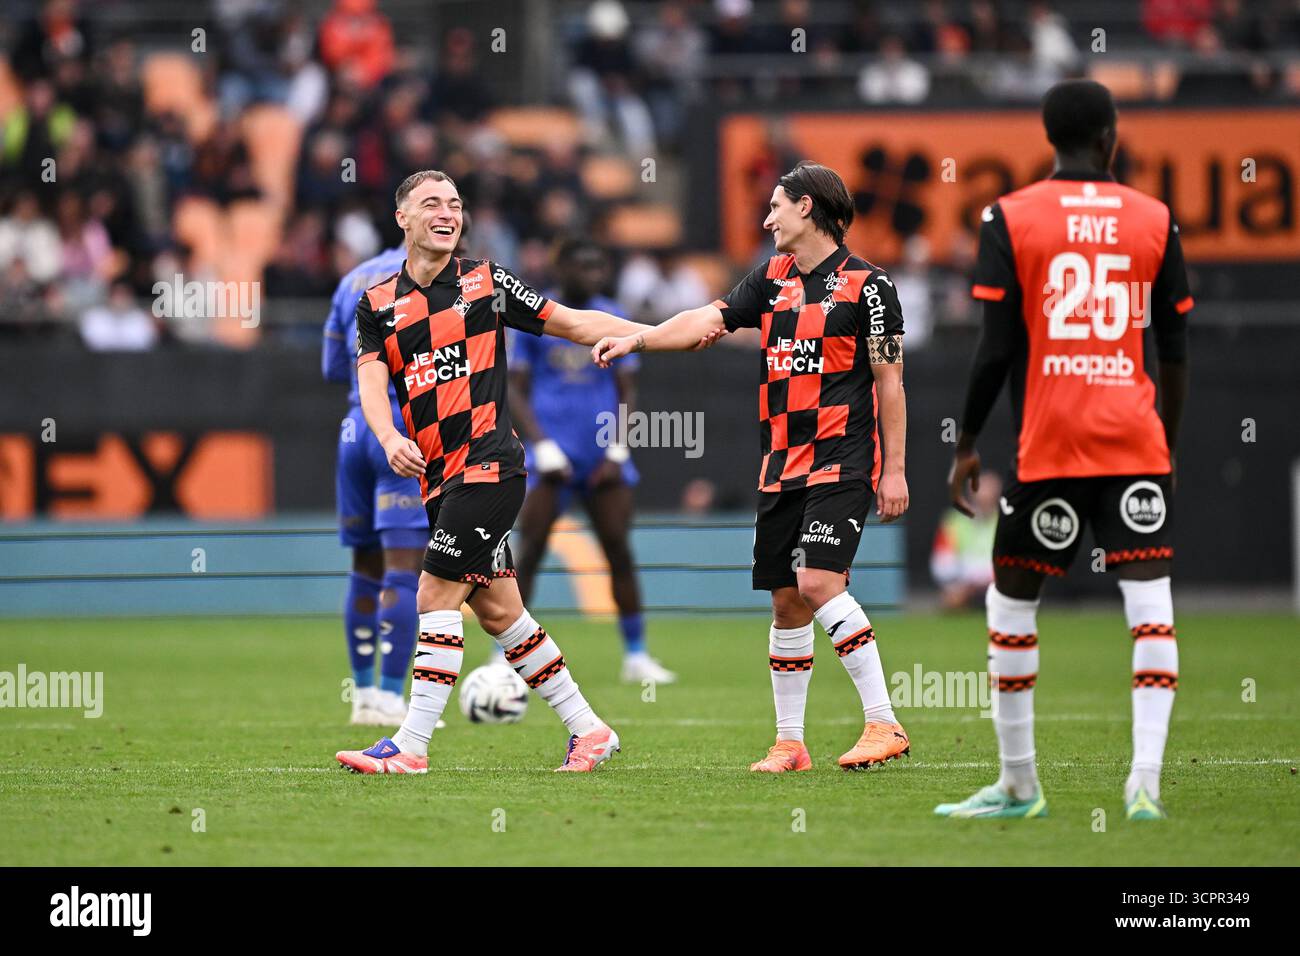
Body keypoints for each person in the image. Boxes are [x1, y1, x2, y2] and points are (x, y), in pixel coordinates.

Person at [593, 161, 911, 773]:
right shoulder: (770, 278)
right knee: (787, 602)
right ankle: (790, 743)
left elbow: (890, 381)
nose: (766, 218)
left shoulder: (872, 286)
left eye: (776, 206)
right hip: (780, 465)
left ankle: (883, 722)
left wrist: (892, 469)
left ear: (808, 209)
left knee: (819, 585)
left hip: (840, 460)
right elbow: (703, 323)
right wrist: (639, 339)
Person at [335, 169, 652, 774]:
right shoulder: (376, 305)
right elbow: (370, 385)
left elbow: (576, 323)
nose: (446, 212)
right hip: (438, 477)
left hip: (490, 465)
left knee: (433, 593)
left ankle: (410, 746)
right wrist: (387, 434)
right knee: (501, 612)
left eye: (454, 203)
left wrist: (656, 334)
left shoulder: (486, 283)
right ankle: (590, 731)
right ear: (402, 218)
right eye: (431, 203)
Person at [937, 80, 1192, 821]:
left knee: (1012, 604)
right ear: (1110, 138)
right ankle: (1144, 780)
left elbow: (995, 347)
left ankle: (1020, 785)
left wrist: (968, 440)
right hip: (1134, 442)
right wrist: (1164, 445)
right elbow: (1173, 346)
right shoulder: (1155, 218)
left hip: (1051, 446)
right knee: (1151, 611)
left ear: (1049, 138)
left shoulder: (1009, 217)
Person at [508, 237, 675, 685]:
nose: (593, 273)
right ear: (560, 270)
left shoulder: (610, 316)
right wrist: (541, 446)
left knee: (619, 550)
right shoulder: (536, 316)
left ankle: (636, 654)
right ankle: (506, 656)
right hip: (551, 460)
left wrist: (618, 450)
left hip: (603, 458)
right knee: (529, 553)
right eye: (583, 265)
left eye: (599, 265)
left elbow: (627, 389)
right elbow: (515, 389)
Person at [322, 243, 429, 728]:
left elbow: (330, 368)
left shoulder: (352, 279)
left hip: (354, 427)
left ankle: (362, 693)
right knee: (404, 570)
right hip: (400, 429)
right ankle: (390, 696)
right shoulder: (434, 279)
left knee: (364, 566)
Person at [930, 472, 1000, 610]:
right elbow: (942, 565)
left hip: (998, 585)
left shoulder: (1007, 522)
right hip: (964, 587)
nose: (984, 497)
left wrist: (988, 579)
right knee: (952, 598)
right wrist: (967, 583)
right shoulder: (953, 522)